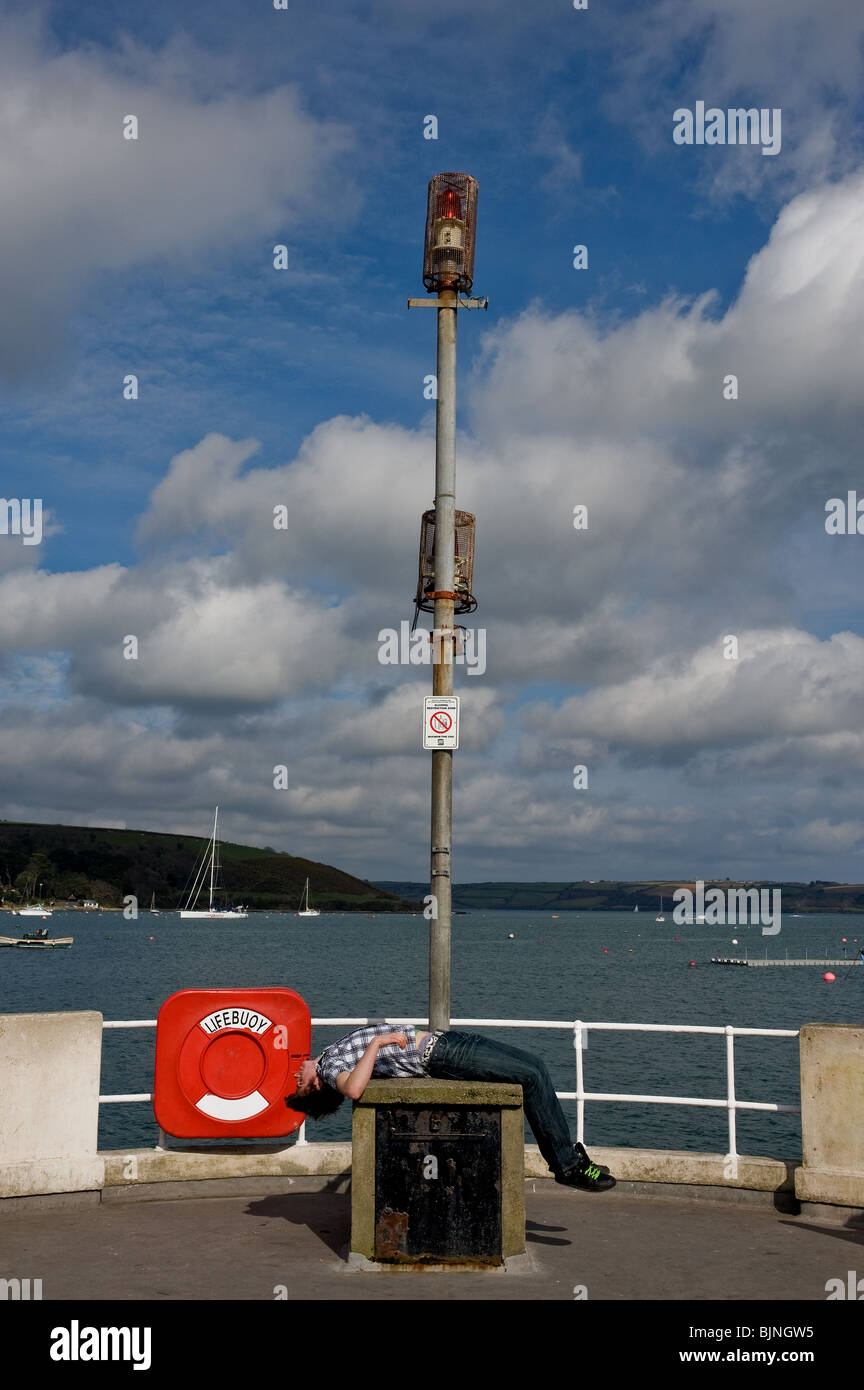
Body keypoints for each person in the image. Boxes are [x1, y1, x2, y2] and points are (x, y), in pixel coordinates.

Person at [285, 1020, 615, 1191]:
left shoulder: (328, 1057)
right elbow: (355, 1089)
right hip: (442, 1055)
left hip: (447, 1043)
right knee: (530, 1076)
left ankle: (568, 1158)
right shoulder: (329, 1071)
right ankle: (567, 1167)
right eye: (300, 1085)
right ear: (315, 1085)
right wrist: (378, 1042)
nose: (297, 1074)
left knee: (536, 1068)